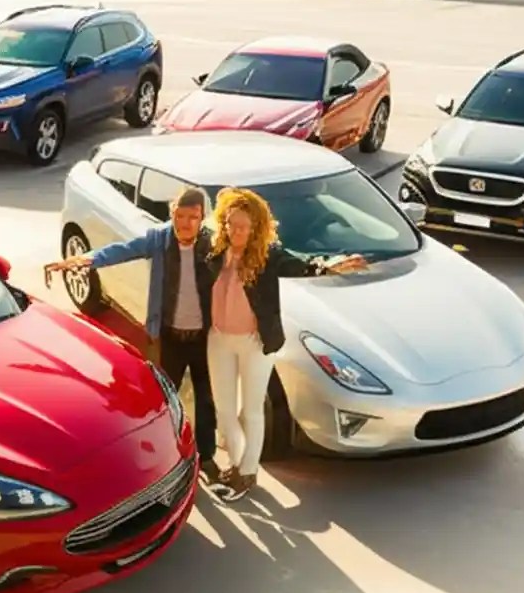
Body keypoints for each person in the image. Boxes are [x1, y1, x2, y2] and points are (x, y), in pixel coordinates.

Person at [43, 186, 224, 484]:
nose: (185, 223)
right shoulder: (160, 239)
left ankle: (206, 458)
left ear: (202, 218)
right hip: (169, 336)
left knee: (206, 400)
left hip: (205, 338)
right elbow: (123, 250)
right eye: (180, 216)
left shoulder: (213, 244)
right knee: (162, 399)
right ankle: (168, 455)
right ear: (172, 215)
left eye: (193, 217)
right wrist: (86, 259)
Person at [203, 187, 367, 502]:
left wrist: (328, 265)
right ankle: (236, 463)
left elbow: (301, 264)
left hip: (255, 342)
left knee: (251, 410)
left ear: (255, 229)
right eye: (230, 224)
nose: (235, 231)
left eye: (243, 226)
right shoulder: (213, 254)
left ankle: (247, 472)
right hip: (219, 339)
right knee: (225, 411)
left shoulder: (268, 256)